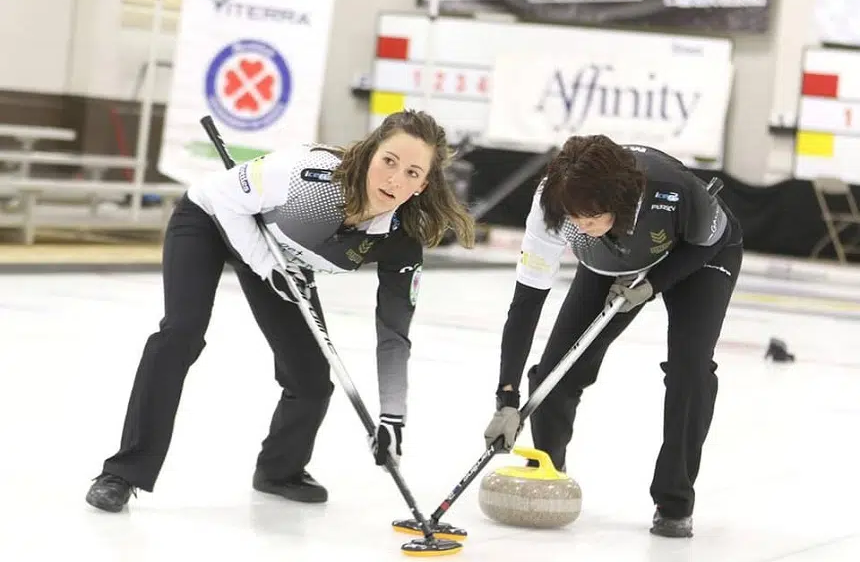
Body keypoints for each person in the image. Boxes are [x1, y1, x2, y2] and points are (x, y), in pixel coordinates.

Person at [85, 109, 476, 513]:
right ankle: (123, 472)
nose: (394, 180)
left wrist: (393, 417)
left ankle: (279, 470)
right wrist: (266, 265)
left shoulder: (400, 241)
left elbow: (394, 333)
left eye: (412, 172)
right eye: (389, 161)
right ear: (370, 152)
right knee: (181, 333)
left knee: (310, 376)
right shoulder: (307, 175)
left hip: (281, 254)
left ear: (423, 184)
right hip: (211, 220)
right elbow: (223, 200)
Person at [482, 135, 743, 538]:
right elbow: (526, 304)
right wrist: (507, 396)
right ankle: (550, 470)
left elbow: (713, 240)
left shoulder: (673, 190)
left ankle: (674, 501)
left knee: (689, 371)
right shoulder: (551, 205)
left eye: (589, 218)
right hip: (615, 258)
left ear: (619, 203)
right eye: (573, 218)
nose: (579, 227)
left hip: (700, 257)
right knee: (556, 371)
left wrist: (653, 284)